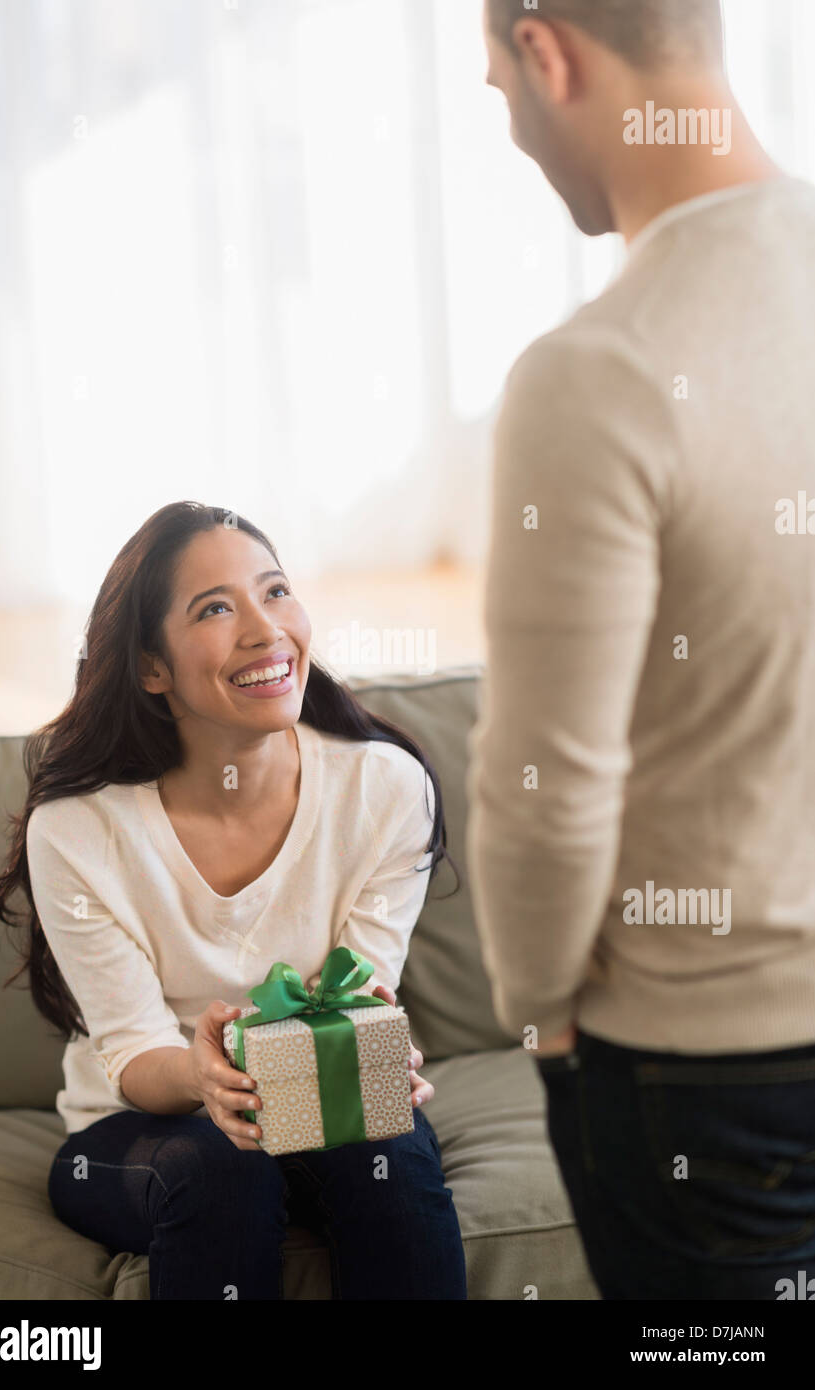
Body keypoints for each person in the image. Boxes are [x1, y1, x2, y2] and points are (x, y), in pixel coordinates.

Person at [466, 0, 815, 1299]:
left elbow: (548, 779)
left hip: (704, 1066)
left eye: (497, 84)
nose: (508, 126)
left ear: (546, 53)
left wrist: (541, 1003)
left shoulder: (597, 372)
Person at [0, 501, 467, 1301]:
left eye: (275, 591)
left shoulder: (383, 788)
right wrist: (209, 1077)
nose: (264, 629)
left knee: (387, 1151)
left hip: (318, 1097)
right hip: (140, 1127)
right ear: (151, 666)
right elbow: (135, 1054)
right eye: (215, 608)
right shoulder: (77, 830)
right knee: (217, 1165)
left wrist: (374, 1052)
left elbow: (358, 993)